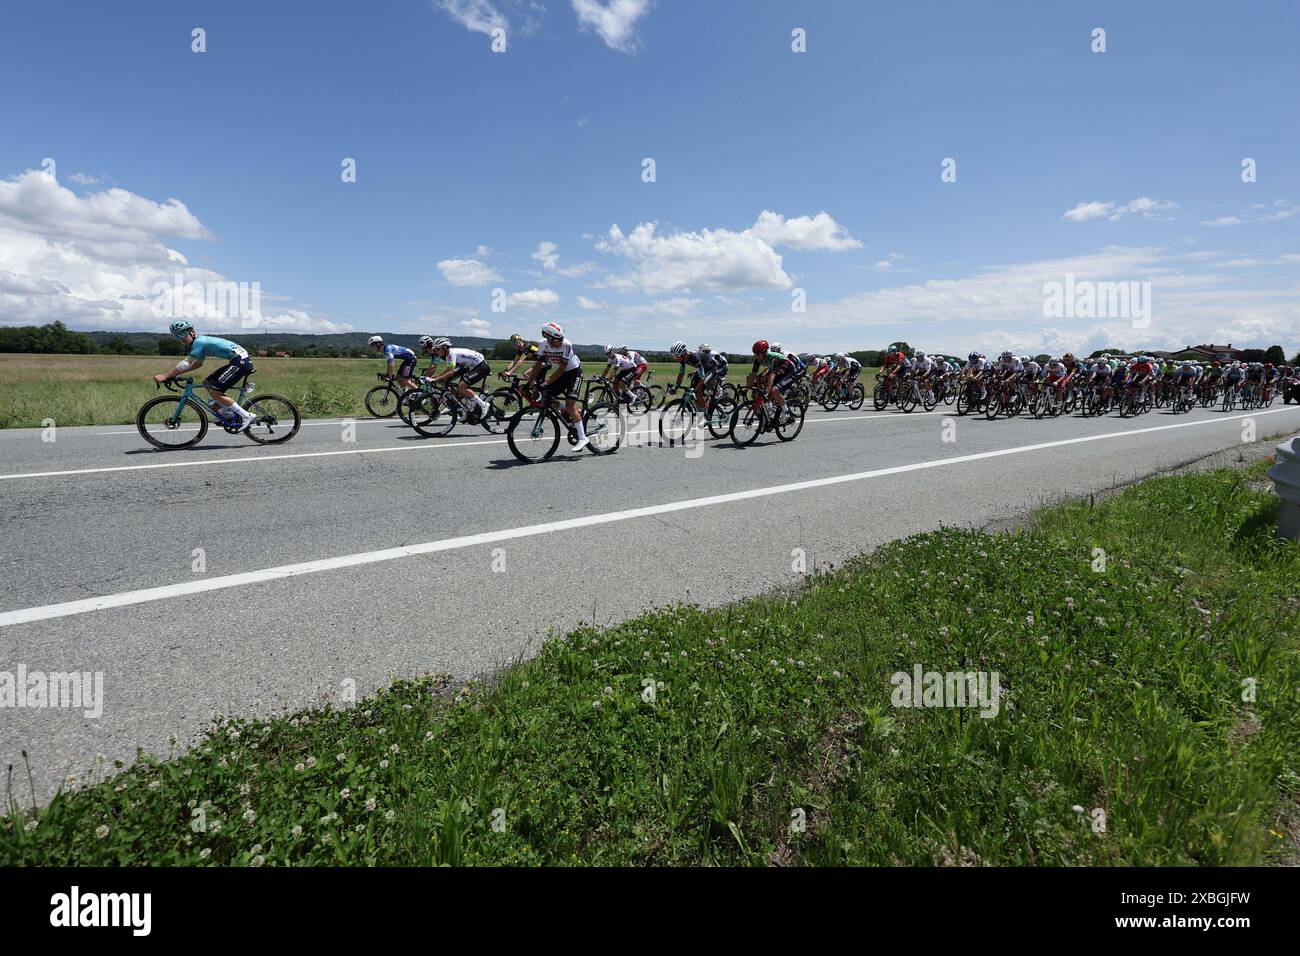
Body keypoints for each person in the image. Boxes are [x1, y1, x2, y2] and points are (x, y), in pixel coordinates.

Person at [152, 320, 256, 431]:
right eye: (177, 336)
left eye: (182, 334)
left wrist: (166, 376)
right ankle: (226, 413)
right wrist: (175, 375)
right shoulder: (201, 343)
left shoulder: (199, 342)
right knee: (207, 383)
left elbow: (186, 363)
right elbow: (197, 364)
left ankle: (246, 415)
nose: (181, 338)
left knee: (216, 392)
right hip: (238, 361)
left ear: (191, 331)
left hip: (240, 362)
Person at [532, 322, 588, 452]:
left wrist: (545, 383)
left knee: (570, 405)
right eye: (558, 340)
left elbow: (561, 370)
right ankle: (572, 414)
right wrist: (531, 382)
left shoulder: (567, 345)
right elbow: (537, 365)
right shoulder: (542, 344)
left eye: (562, 338)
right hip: (563, 374)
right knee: (546, 397)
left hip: (574, 373)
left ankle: (582, 438)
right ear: (549, 339)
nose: (561, 341)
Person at [425, 337, 492, 422]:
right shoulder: (448, 354)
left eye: (438, 349)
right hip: (473, 366)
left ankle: (484, 405)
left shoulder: (451, 353)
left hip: (481, 366)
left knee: (462, 386)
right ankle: (467, 411)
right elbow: (449, 369)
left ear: (445, 348)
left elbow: (451, 372)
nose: (436, 351)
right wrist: (438, 377)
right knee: (460, 391)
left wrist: (435, 379)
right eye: (435, 349)